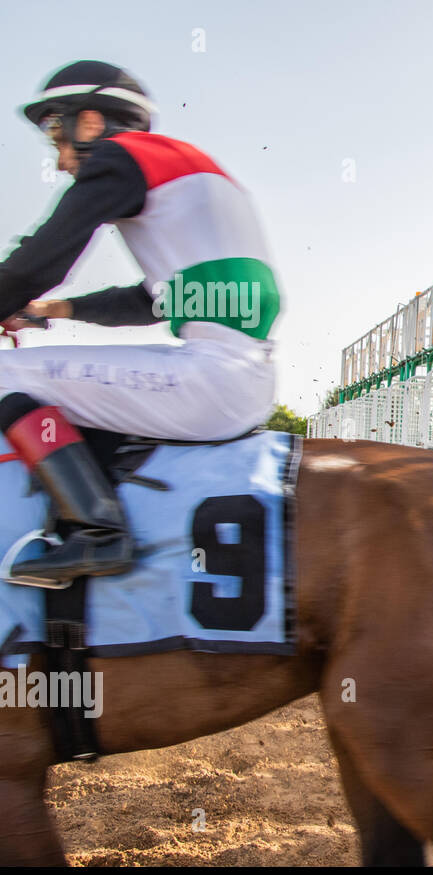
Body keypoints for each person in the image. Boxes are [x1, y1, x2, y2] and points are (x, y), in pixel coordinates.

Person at [0, 61, 281, 585]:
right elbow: (150, 300)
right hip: (239, 375)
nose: (61, 161)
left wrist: (19, 291)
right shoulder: (188, 168)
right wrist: (53, 311)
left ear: (91, 121)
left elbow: (40, 259)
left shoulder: (120, 156)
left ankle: (98, 531)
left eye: (58, 135)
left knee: (4, 375)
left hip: (209, 380)